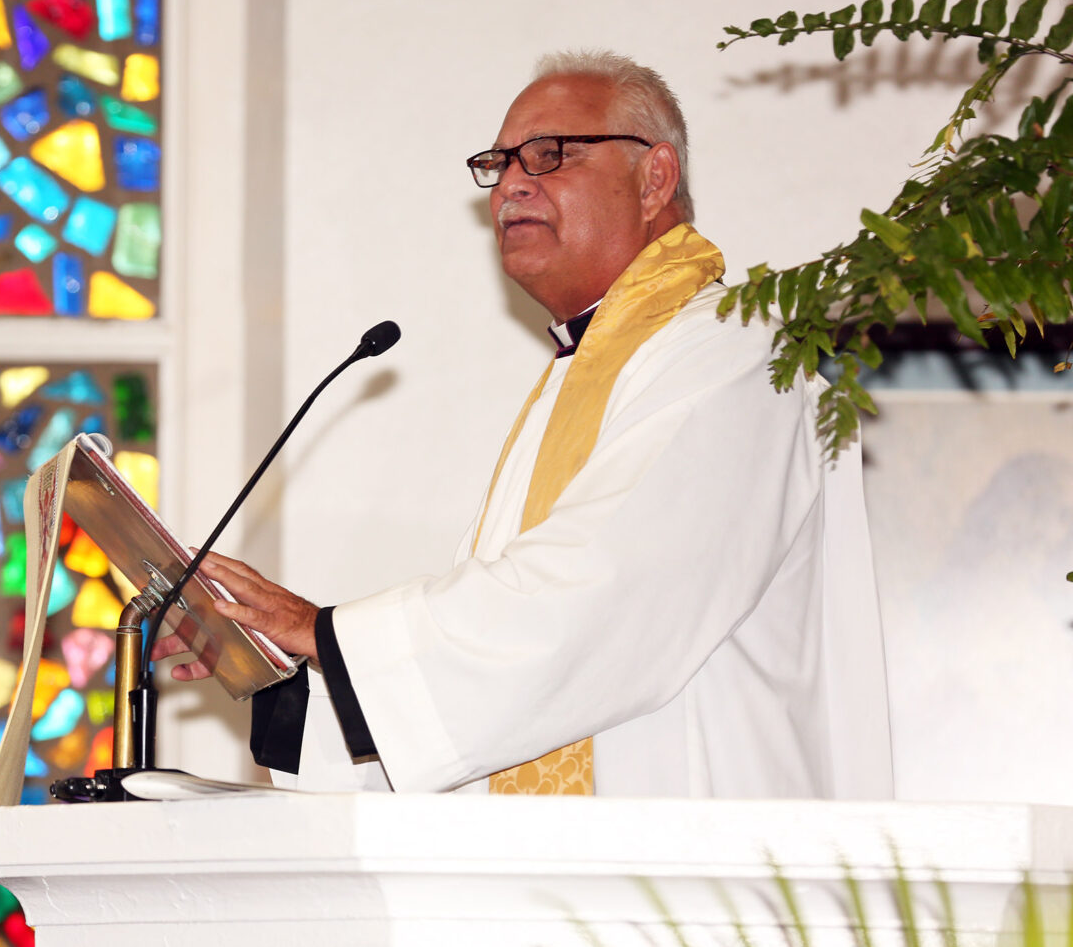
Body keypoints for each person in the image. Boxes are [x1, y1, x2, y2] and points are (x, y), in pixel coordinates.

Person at [155, 50, 894, 799]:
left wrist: (324, 632)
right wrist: (270, 670)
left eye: (548, 155)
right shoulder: (572, 381)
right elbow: (480, 702)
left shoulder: (737, 351)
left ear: (655, 178)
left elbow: (599, 595)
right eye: (498, 164)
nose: (511, 182)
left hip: (696, 874)